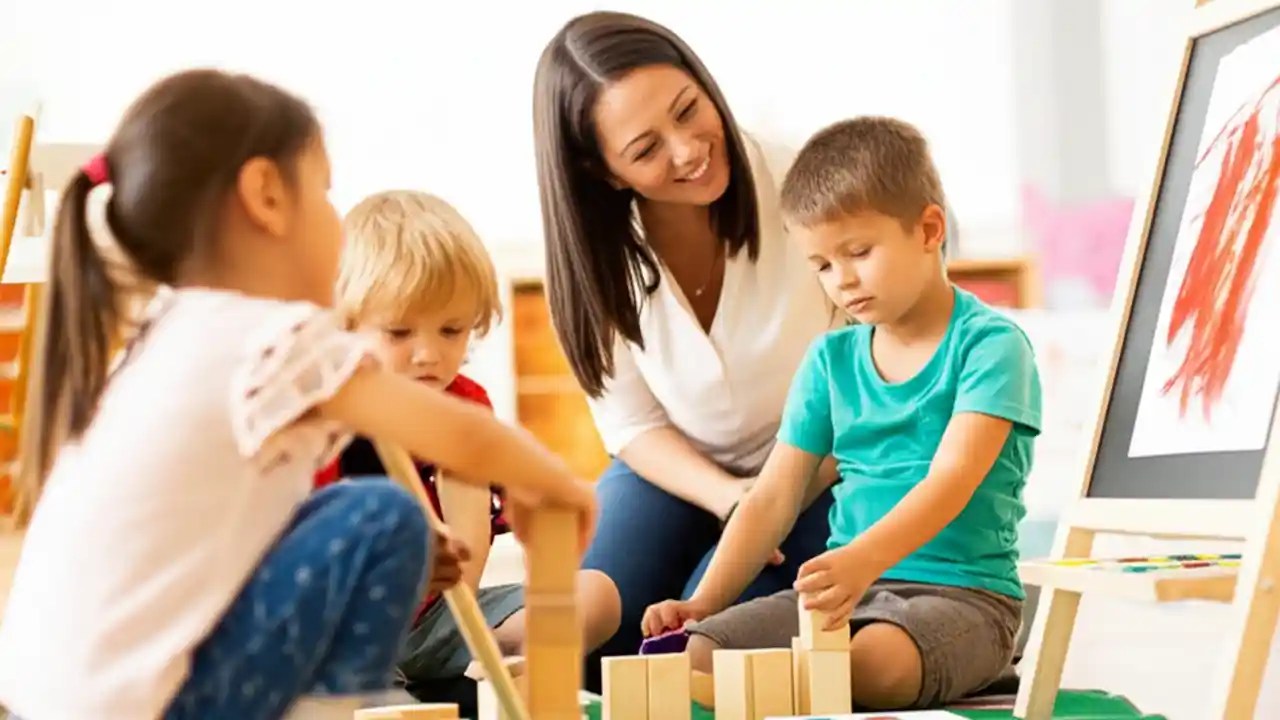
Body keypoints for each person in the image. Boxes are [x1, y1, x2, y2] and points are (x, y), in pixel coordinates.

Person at [0, 69, 594, 720]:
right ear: (266, 195)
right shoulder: (269, 339)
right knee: (382, 516)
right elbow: (464, 435)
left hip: (54, 700)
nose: (336, 221)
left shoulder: (165, 335)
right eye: (326, 192)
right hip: (150, 704)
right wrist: (556, 484)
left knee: (346, 513)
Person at [641, 116, 1042, 711]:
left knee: (868, 667)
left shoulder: (991, 346)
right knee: (698, 653)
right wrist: (703, 604)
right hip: (845, 595)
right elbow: (772, 497)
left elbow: (951, 481)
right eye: (822, 265)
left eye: (858, 252)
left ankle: (977, 663)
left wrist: (863, 560)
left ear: (929, 229)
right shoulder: (830, 360)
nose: (842, 280)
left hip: (964, 596)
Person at [531, 10, 847, 673]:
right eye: (646, 149)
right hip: (677, 472)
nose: (688, 150)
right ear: (604, 171)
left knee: (695, 641)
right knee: (596, 629)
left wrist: (768, 504)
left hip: (822, 469)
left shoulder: (806, 182)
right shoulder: (593, 259)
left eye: (688, 110)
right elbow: (632, 423)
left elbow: (879, 378)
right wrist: (730, 497)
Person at [312, 190, 618, 696]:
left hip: (442, 618)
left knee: (597, 595)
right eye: (399, 332)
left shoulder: (465, 407)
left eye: (451, 330)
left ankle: (492, 664)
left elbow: (468, 552)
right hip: (345, 625)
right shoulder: (330, 415)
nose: (428, 353)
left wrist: (472, 631)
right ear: (346, 325)